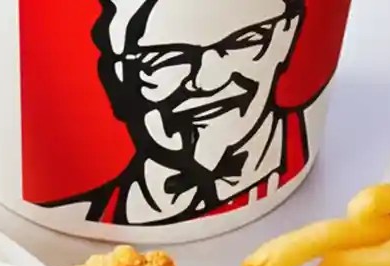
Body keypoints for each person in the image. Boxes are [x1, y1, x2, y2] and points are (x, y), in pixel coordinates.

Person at [49, 0, 311, 226]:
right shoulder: (73, 219)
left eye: (243, 42)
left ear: (286, 36)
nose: (208, 81)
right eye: (166, 57)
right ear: (120, 76)